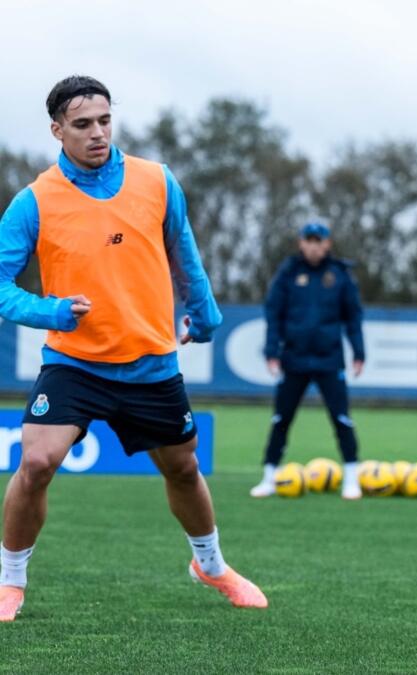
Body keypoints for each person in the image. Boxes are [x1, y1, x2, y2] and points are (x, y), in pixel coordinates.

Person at [0, 76, 267, 622]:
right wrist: (48, 311)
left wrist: (206, 312)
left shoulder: (156, 181)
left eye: (104, 121)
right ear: (57, 131)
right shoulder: (34, 202)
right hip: (74, 364)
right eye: (82, 125)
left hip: (150, 363)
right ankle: (11, 580)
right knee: (37, 462)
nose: (97, 134)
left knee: (183, 469)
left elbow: (182, 252)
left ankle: (211, 565)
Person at [250, 222, 365, 500]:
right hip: (294, 358)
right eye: (309, 240)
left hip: (329, 359)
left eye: (319, 241)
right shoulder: (288, 273)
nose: (314, 246)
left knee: (341, 419)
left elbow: (353, 316)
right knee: (281, 419)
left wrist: (359, 353)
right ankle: (269, 476)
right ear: (301, 243)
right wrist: (271, 352)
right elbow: (273, 313)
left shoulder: (340, 274)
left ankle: (351, 477)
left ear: (327, 244)